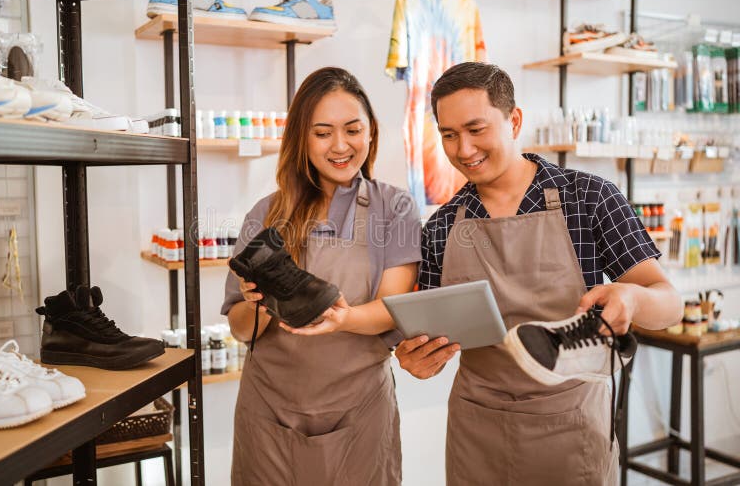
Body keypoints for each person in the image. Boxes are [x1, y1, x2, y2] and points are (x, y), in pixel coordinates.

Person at [394, 62, 682, 485]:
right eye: (449, 135)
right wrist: (417, 360)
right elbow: (429, 339)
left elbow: (669, 303)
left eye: (476, 129)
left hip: (570, 429)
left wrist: (634, 299)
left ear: (514, 120)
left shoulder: (589, 198)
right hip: (478, 436)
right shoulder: (441, 227)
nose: (463, 148)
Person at [222, 67, 421, 486]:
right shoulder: (265, 214)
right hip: (268, 411)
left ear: (371, 132)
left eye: (353, 129)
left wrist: (342, 319)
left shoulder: (395, 208)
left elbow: (393, 306)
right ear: (302, 138)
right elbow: (240, 327)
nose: (341, 146)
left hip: (360, 410)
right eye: (323, 133)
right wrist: (259, 304)